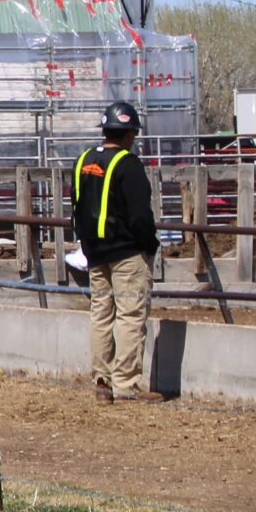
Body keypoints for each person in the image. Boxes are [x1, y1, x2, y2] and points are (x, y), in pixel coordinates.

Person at [72, 101, 168, 404]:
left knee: (100, 315)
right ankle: (126, 385)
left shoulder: (84, 160)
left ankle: (101, 382)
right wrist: (149, 246)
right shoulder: (128, 164)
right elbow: (141, 215)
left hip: (95, 252)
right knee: (129, 316)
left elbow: (76, 206)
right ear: (130, 133)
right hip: (127, 253)